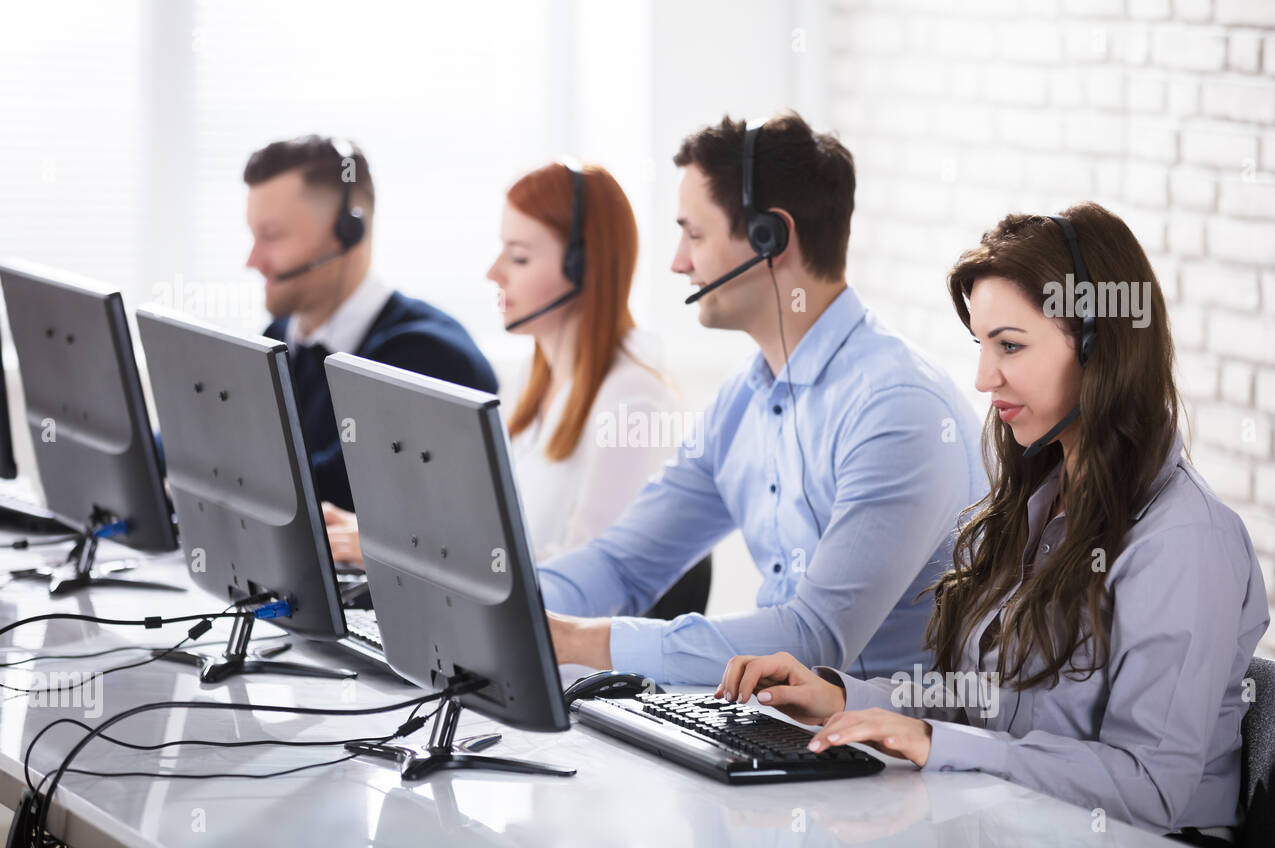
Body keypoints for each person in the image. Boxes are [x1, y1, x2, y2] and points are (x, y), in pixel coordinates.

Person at [716, 202, 1271, 847]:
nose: (983, 379)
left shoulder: (1183, 540)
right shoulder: (1041, 503)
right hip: (1016, 837)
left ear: (1098, 347)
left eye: (1010, 345)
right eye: (981, 345)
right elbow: (983, 705)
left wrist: (938, 744)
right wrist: (844, 699)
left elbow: (1149, 788)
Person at [542, 112, 986, 685]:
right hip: (779, 730)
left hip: (887, 754)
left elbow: (813, 641)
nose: (678, 261)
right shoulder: (744, 400)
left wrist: (582, 641)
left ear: (769, 238)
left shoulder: (898, 409)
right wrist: (507, 610)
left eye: (694, 234)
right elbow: (623, 564)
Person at [324, 161, 685, 588]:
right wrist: (382, 536)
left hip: (565, 650)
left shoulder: (633, 400)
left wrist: (402, 551)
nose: (494, 272)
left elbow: (589, 580)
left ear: (581, 266)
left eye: (519, 256)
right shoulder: (534, 381)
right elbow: (489, 538)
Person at [243, 134, 498, 514]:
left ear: (349, 232)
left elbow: (327, 488)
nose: (253, 260)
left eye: (272, 236)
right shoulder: (282, 337)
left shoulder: (430, 360)